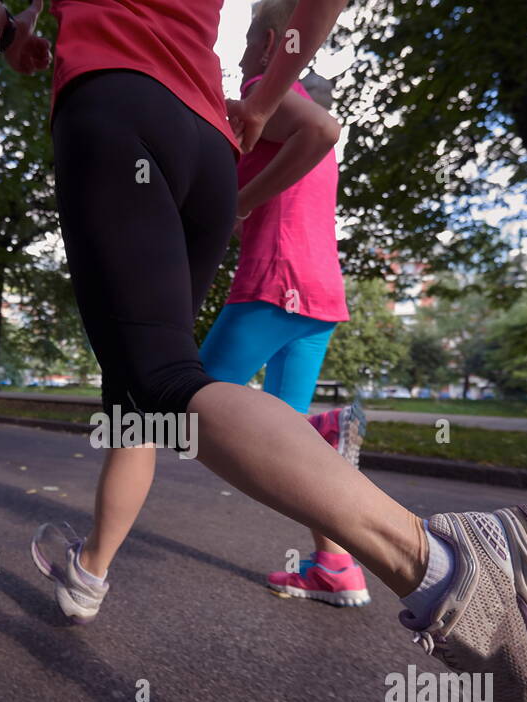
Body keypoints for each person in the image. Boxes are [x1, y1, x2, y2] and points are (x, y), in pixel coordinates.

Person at [0, 0, 527, 702]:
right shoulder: (250, 81)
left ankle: (450, 565)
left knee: (164, 384)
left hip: (114, 104)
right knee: (146, 391)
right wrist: (259, 97)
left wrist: (7, 29)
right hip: (206, 143)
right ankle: (89, 572)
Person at [198, 0, 369, 608]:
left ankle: (319, 431)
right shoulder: (300, 112)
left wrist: (239, 202)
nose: (240, 52)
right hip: (319, 295)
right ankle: (335, 566)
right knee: (293, 452)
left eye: (246, 37)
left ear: (272, 42)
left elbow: (315, 139)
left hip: (277, 282)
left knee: (182, 404)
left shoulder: (262, 97)